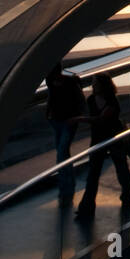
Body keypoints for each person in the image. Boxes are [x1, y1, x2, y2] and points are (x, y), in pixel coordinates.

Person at [75, 73, 130, 218]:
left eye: (95, 83)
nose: (93, 85)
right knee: (95, 174)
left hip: (112, 138)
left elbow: (102, 119)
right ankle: (87, 207)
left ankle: (127, 195)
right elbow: (101, 119)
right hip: (103, 138)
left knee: (119, 169)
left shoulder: (111, 101)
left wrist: (81, 119)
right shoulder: (101, 100)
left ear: (102, 85)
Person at [46, 63, 86, 204]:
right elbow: (51, 98)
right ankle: (68, 185)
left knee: (62, 153)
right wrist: (48, 115)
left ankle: (66, 189)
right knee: (63, 153)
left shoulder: (70, 82)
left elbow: (81, 101)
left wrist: (77, 118)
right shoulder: (51, 81)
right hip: (57, 121)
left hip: (68, 122)